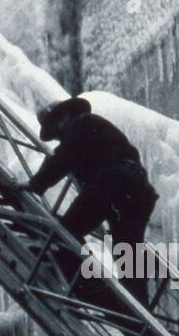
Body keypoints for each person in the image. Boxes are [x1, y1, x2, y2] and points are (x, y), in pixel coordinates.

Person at [11, 97, 159, 304]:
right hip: (138, 189)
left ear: (65, 116)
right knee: (128, 252)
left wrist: (35, 184)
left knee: (65, 233)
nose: (59, 138)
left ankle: (89, 283)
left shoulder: (81, 124)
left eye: (57, 129)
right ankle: (140, 312)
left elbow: (62, 158)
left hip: (113, 181)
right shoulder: (97, 130)